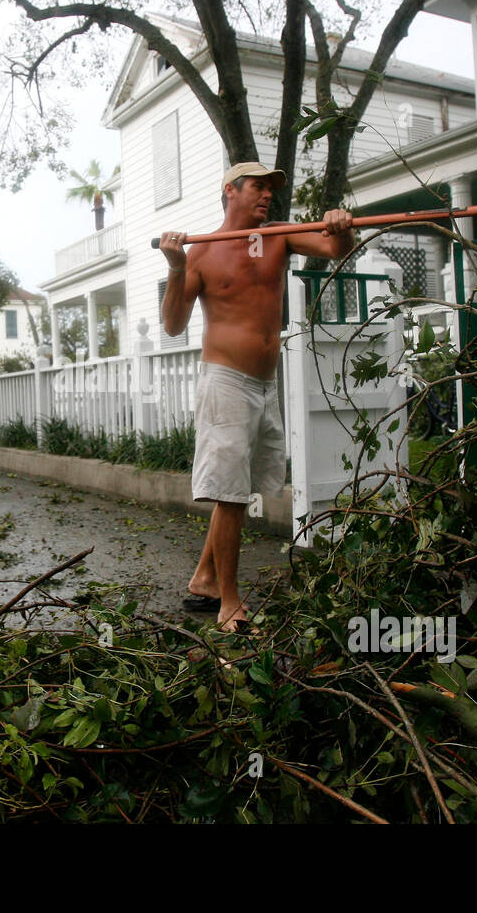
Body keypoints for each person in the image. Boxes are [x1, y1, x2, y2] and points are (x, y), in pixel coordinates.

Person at [158, 162, 353, 631]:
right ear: (230, 190)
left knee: (240, 489)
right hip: (225, 382)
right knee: (229, 493)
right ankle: (229, 602)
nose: (267, 195)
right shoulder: (202, 252)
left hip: (266, 384)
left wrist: (340, 226)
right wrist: (177, 267)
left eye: (271, 188)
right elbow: (172, 325)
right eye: (258, 187)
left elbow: (334, 248)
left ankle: (205, 578)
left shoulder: (280, 236)